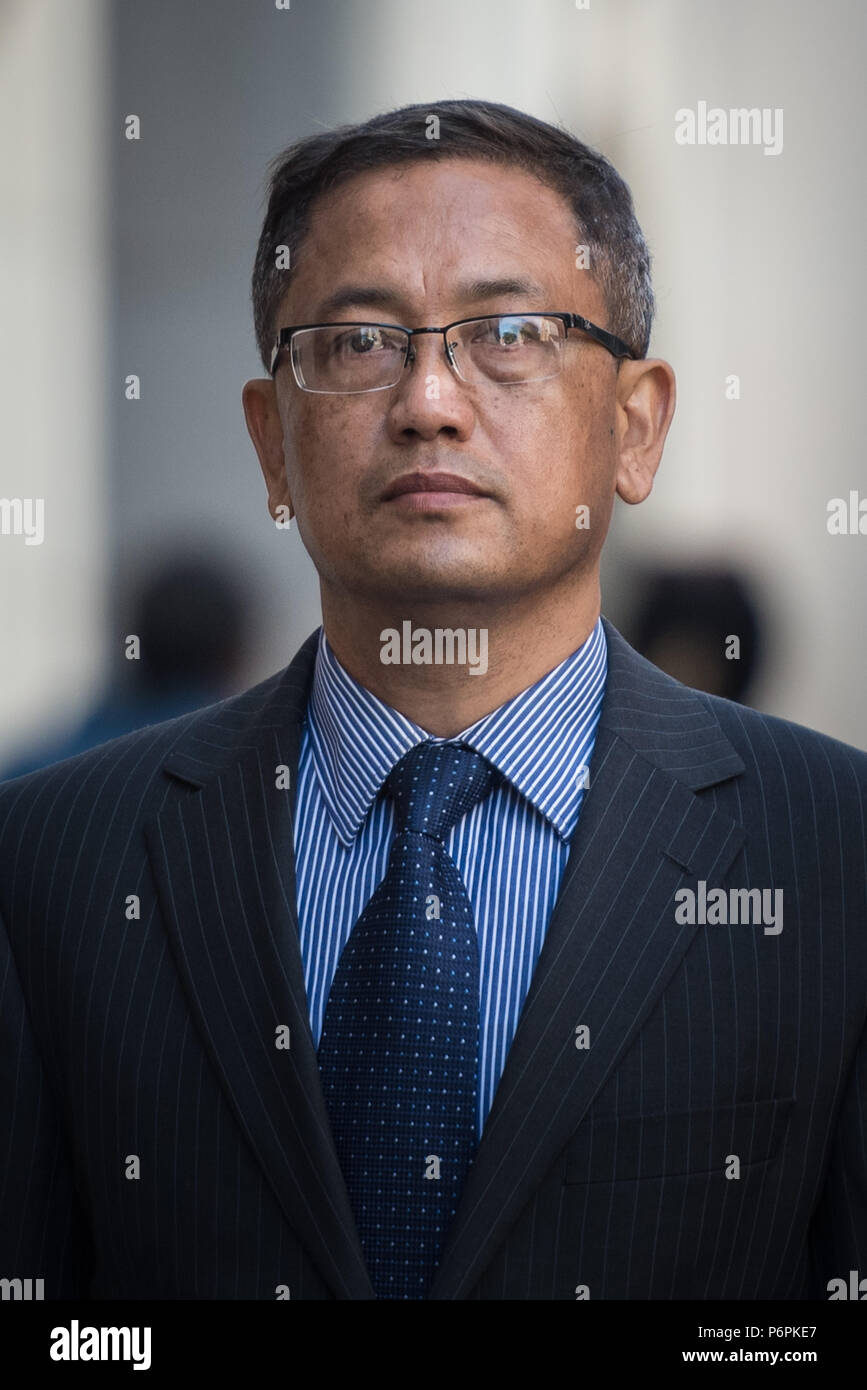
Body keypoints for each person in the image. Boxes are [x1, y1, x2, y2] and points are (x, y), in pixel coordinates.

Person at [0, 99, 864, 1302]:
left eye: (509, 331)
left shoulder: (833, 852)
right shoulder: (54, 862)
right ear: (271, 444)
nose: (430, 401)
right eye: (357, 344)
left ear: (635, 423)